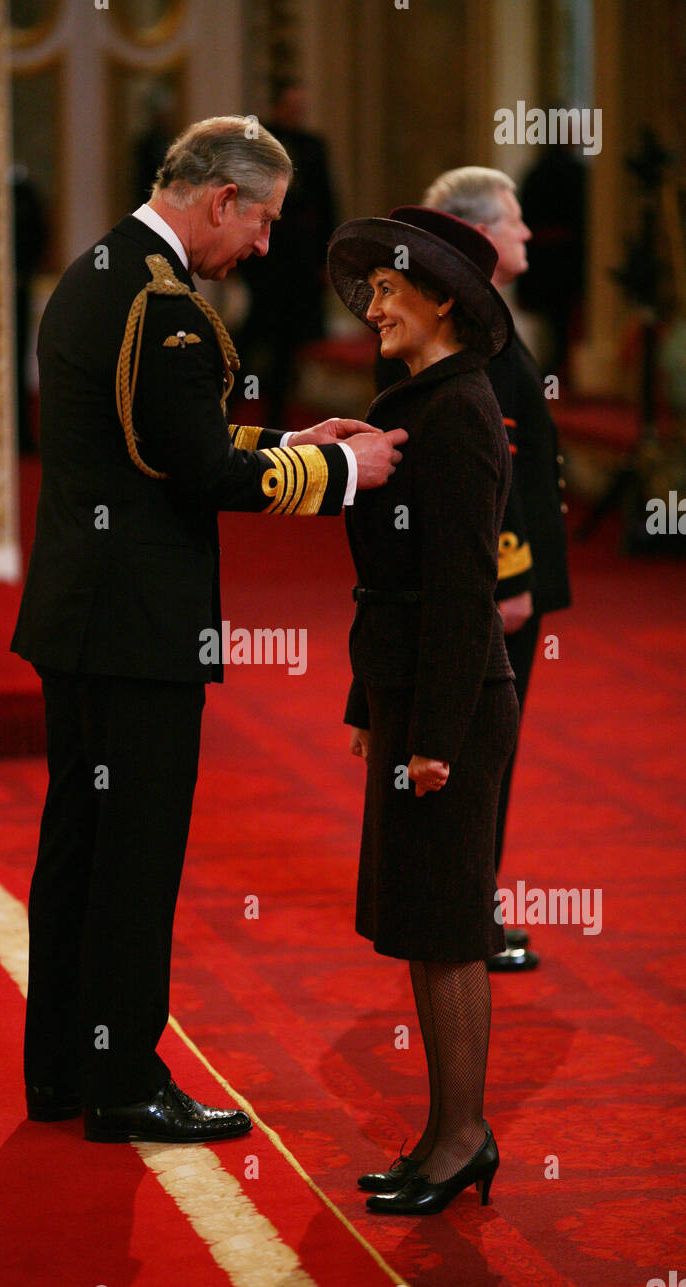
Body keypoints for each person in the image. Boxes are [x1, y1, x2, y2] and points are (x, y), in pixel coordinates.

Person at [10, 116, 405, 1146]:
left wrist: (286, 438)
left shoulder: (104, 267)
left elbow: (155, 433)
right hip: (138, 626)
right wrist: (337, 474)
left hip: (79, 615)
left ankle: (61, 1067)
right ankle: (126, 1081)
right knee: (133, 857)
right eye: (264, 221)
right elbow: (197, 469)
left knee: (78, 848)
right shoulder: (163, 301)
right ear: (220, 199)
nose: (265, 246)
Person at [328, 206, 519, 1213]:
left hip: (454, 700)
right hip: (410, 692)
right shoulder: (415, 395)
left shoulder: (459, 410)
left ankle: (461, 1138)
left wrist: (434, 740)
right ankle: (441, 1132)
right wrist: (373, 703)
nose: (372, 306)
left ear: (442, 298)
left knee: (447, 925)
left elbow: (457, 592)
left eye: (390, 290)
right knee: (418, 916)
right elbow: (385, 580)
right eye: (367, 292)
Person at [376, 168, 572, 971]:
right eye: (516, 224)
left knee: (489, 756)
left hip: (498, 571)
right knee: (476, 750)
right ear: (482, 236)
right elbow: (499, 462)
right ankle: (470, 913)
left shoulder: (486, 325)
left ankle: (475, 902)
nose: (527, 235)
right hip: (493, 576)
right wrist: (514, 576)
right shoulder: (461, 343)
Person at [234, 81, 337, 419]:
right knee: (254, 336)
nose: (296, 112)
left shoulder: (313, 146)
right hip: (266, 259)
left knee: (288, 344)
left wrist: (327, 258)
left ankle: (276, 413)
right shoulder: (259, 144)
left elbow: (327, 203)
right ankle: (231, 404)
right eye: (290, 105)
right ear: (278, 107)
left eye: (300, 107)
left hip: (301, 262)